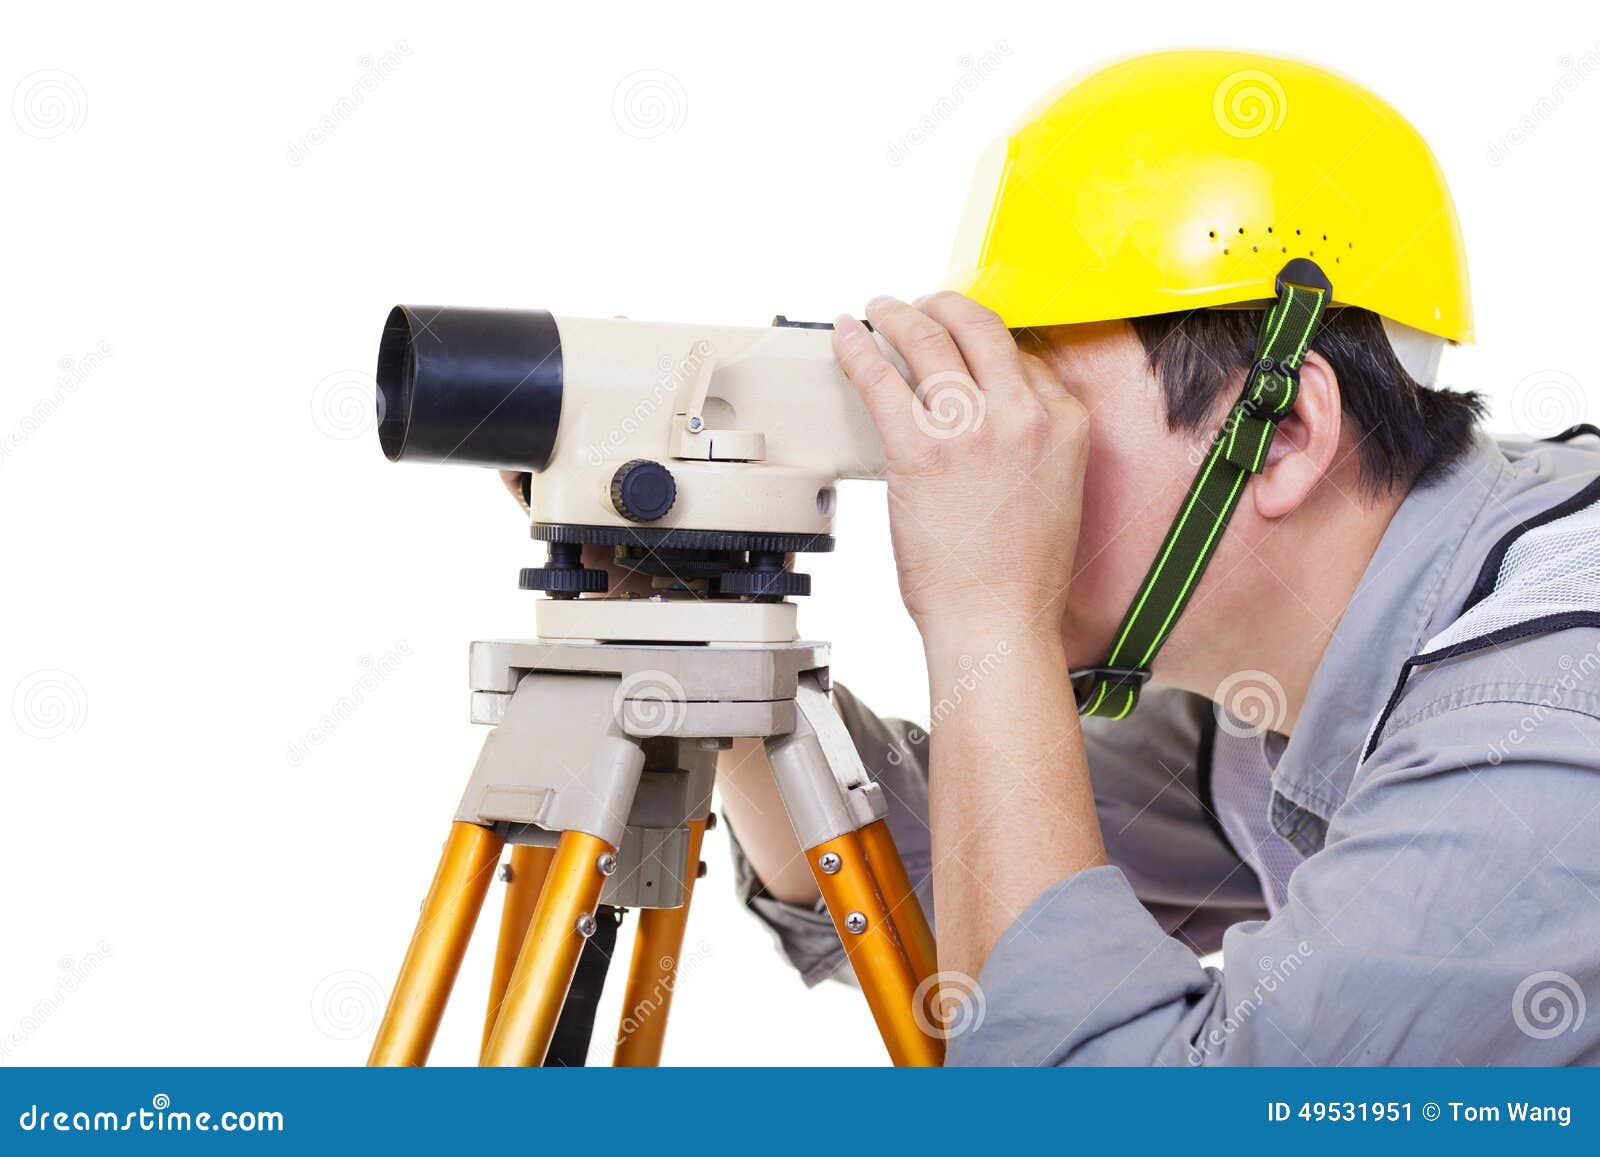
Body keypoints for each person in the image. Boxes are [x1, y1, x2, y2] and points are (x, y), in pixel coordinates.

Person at [709, 50, 1600, 1065]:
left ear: (1282, 433)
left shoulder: (1535, 742)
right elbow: (924, 884)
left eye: (1047, 400)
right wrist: (703, 616)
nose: (1002, 441)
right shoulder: (1295, 667)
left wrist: (987, 614)